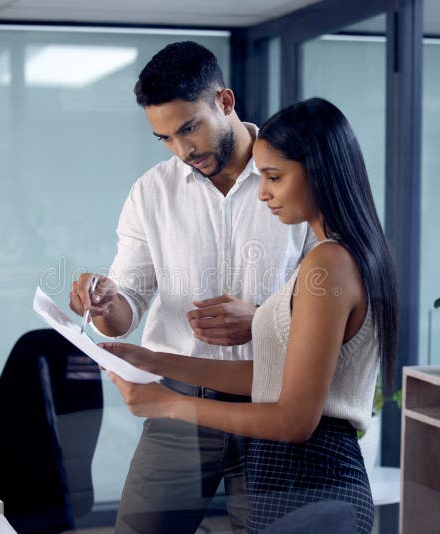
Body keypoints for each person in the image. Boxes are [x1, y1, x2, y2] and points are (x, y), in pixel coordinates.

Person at [104, 97, 399, 534]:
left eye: (275, 178)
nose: (263, 192)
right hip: (298, 477)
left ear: (319, 171)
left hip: (310, 480)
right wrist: (155, 361)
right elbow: (273, 376)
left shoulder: (328, 263)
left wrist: (168, 402)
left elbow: (293, 420)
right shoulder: (342, 254)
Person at [68, 42, 317, 534]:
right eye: (165, 138)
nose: (183, 151)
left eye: (189, 128)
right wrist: (104, 301)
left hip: (270, 399)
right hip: (176, 405)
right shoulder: (151, 192)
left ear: (224, 102)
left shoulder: (296, 178)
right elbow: (128, 306)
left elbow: (331, 295)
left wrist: (262, 319)